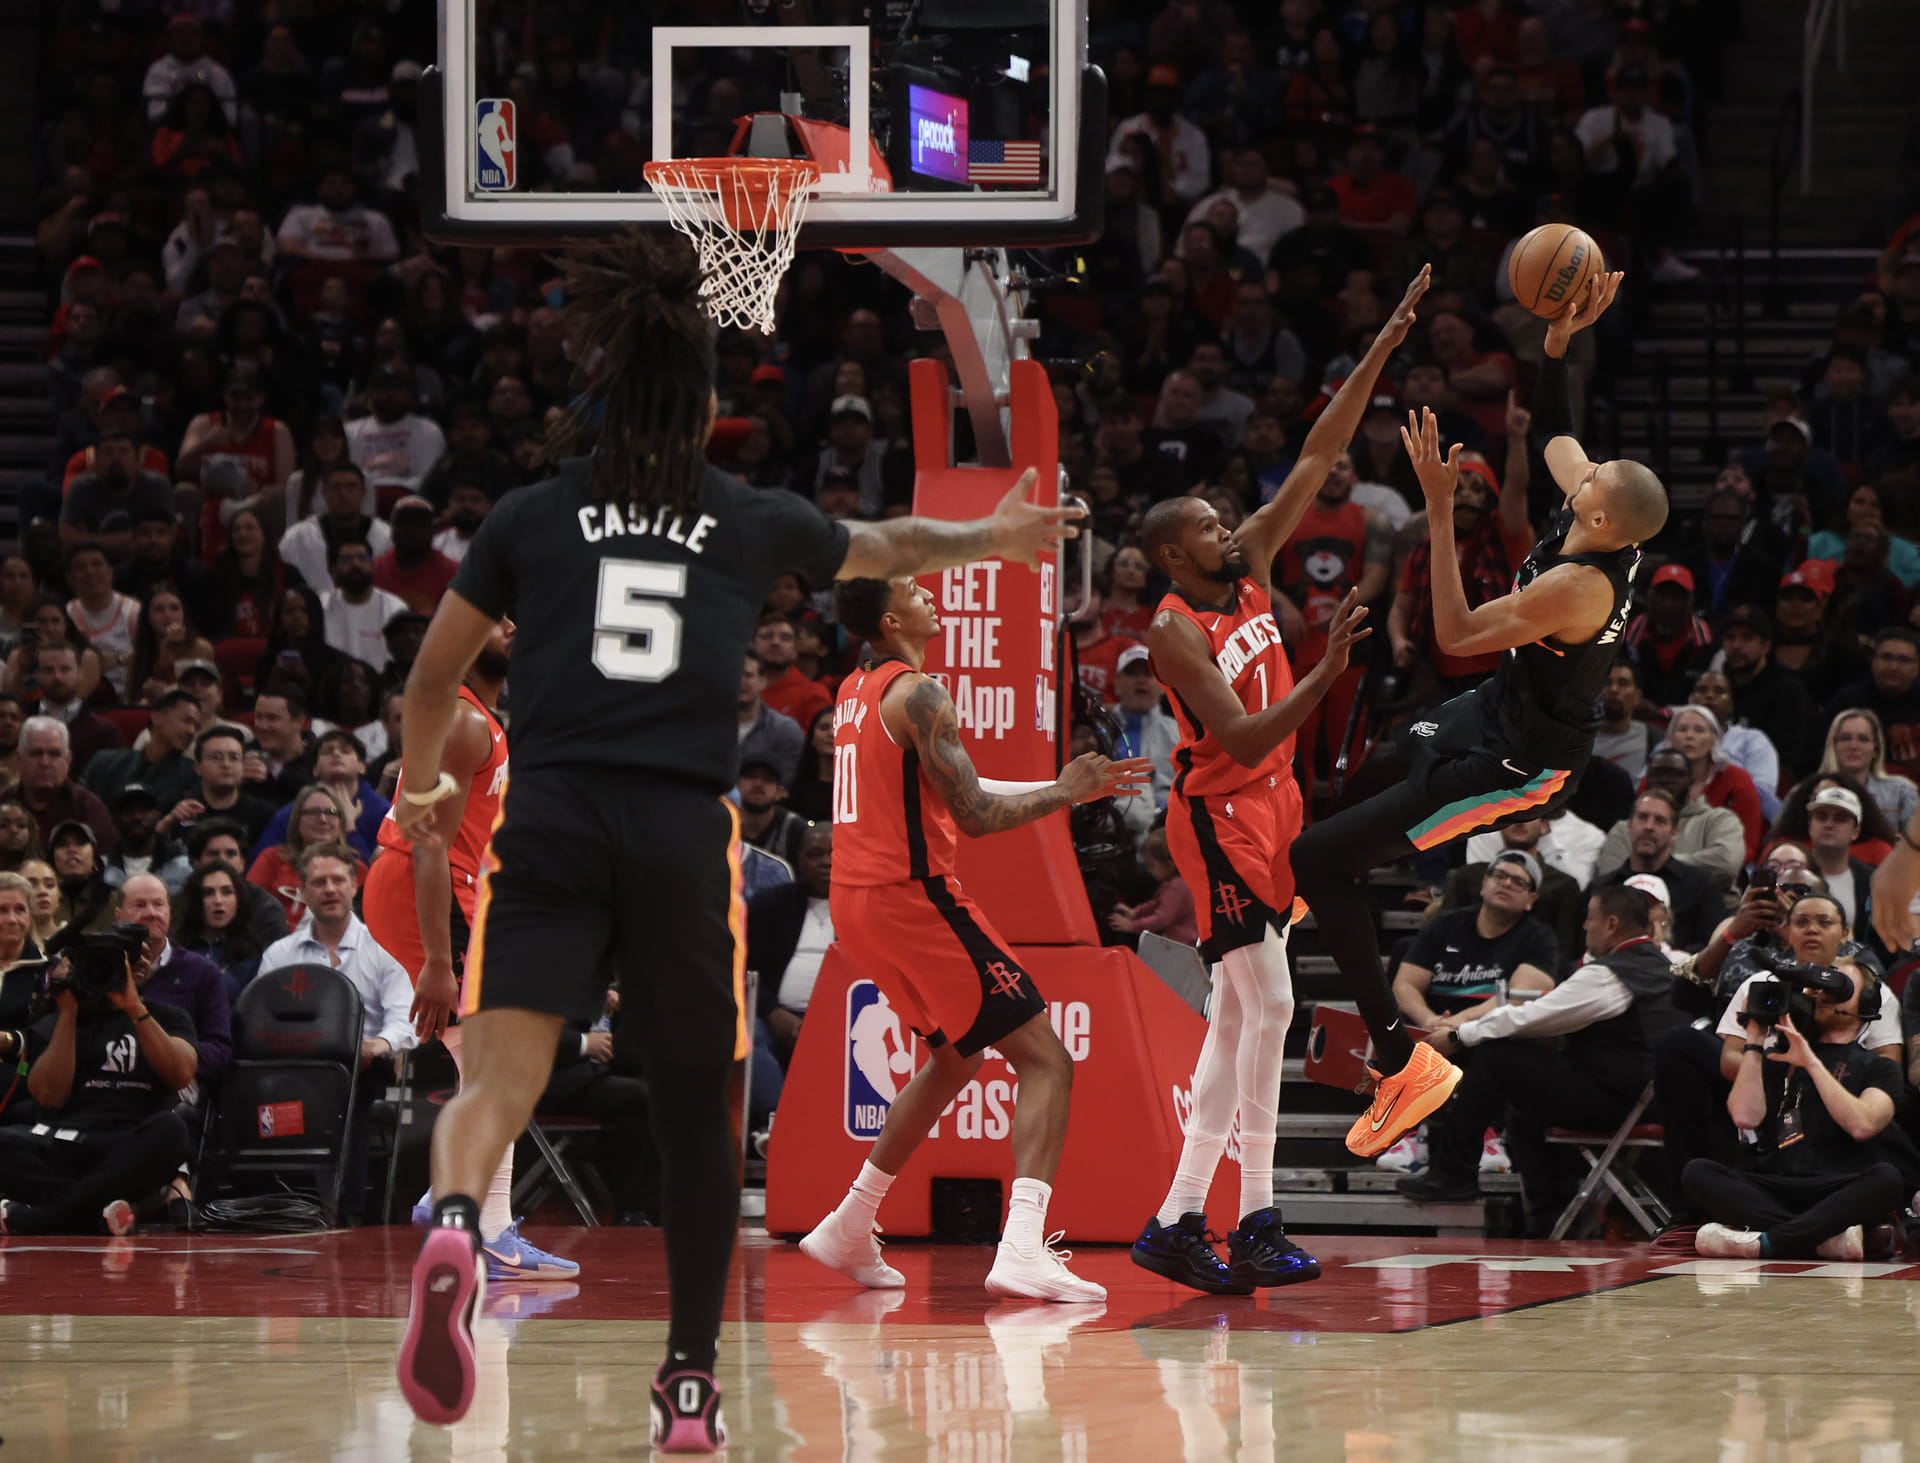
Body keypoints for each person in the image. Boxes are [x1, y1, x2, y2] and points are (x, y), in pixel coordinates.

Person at [389, 233, 1086, 1446]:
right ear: (702, 406)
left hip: (549, 814)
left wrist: (418, 787)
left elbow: (432, 676)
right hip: (678, 825)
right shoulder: (743, 515)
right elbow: (884, 549)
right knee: (697, 1113)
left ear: (600, 397)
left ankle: (455, 1221)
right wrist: (995, 535)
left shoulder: (527, 516)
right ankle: (689, 1383)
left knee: (493, 1082)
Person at [1291, 271, 1667, 1158]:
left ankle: (1402, 1064)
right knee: (1388, 753)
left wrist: (1435, 509)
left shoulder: (1579, 586)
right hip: (1502, 703)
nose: (1580, 469)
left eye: (1590, 478)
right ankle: (1314, 897)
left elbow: (1455, 633)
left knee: (1317, 856)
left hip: (1520, 763)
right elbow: (1560, 433)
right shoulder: (1607, 515)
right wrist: (1559, 341)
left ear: (1598, 512)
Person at [1122, 274, 1423, 1298]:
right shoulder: (1172, 628)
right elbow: (1243, 731)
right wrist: (1327, 671)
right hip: (1218, 814)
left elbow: (1317, 455)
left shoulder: (1248, 560)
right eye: (1208, 527)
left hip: (1275, 799)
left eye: (1223, 522)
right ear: (1174, 553)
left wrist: (1378, 348)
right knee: (1272, 1003)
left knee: (1241, 1016)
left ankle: (1185, 1220)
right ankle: (1248, 1215)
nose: (1228, 529)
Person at [800, 574, 1150, 1305]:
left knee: (955, 1060)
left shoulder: (856, 690)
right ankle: (1022, 1247)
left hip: (856, 902)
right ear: (891, 619)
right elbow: (977, 817)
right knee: (1047, 1061)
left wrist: (1062, 785)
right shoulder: (921, 695)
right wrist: (1065, 792)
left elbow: (950, 785)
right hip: (913, 899)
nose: (929, 594)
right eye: (912, 588)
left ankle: (849, 1222)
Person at [365, 622, 570, 1279]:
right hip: (424, 888)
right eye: (497, 617)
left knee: (497, 1057)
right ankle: (485, 1226)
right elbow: (428, 842)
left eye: (517, 618)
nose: (513, 626)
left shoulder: (476, 715)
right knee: (497, 1060)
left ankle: (455, 1201)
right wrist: (435, 960)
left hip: (443, 888)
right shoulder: (464, 721)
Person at [1396, 886, 1686, 1226]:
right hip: (1651, 1098)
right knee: (1524, 1106)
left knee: (1495, 1057)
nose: (1584, 927)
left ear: (1611, 924)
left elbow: (1532, 1016)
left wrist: (1460, 1035)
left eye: (1589, 919)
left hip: (1619, 1101)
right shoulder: (1663, 966)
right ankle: (1549, 1215)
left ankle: (1453, 1174)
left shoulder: (1610, 974)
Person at [1688, 961, 1918, 1260]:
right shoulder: (1778, 1058)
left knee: (1887, 1180)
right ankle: (1820, 1239)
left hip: (1840, 1187)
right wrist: (1755, 1041)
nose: (1824, 995)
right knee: (1698, 1172)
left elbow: (1863, 1125)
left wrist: (1810, 1062)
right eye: (1818, 989)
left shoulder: (1881, 1067)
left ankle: (1768, 1242)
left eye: (1839, 987)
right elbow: (1744, 1117)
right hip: (1778, 1183)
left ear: (1866, 1002)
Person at [0, 922, 199, 1235]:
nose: (139, 963)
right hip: (65, 1144)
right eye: (125, 959)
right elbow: (48, 1096)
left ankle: (41, 1218)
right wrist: (68, 1013)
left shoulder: (167, 1017)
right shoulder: (60, 1018)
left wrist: (134, 1007)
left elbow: (181, 1073)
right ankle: (112, 1208)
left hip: (129, 1146)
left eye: (142, 957)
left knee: (173, 1130)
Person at [117, 872, 232, 1088]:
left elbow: (219, 1048)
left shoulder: (203, 972)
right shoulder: (100, 967)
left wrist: (163, 1060)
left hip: (174, 1085)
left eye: (158, 904)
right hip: (109, 1081)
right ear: (118, 914)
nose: (151, 913)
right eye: (140, 905)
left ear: (169, 912)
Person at [1433, 822, 1586, 973]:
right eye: (1514, 816)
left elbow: (1565, 950)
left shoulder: (1564, 885)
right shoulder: (1466, 877)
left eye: (1530, 816)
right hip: (1464, 972)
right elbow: (1443, 933)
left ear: (1544, 826)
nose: (1520, 822)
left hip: (1534, 976)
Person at [1592, 789, 1725, 950]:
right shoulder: (1602, 889)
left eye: (1660, 821)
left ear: (1674, 832)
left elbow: (1712, 949)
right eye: (1642, 817)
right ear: (1629, 826)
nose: (1649, 826)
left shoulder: (1702, 886)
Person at [1597, 746, 1746, 889]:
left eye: (1675, 773)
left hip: (1710, 904)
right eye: (1657, 773)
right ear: (1647, 779)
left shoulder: (1718, 820)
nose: (1665, 779)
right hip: (1638, 904)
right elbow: (1611, 878)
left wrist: (1654, 862)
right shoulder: (1625, 828)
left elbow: (1727, 864)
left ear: (1690, 780)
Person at [1718, 605, 1821, 781]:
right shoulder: (1718, 687)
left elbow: (1791, 760)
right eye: (1730, 637)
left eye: (1747, 638)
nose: (1736, 646)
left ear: (1765, 646)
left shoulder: (1788, 692)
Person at [1660, 705, 1763, 863]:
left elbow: (1748, 845)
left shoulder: (1737, 779)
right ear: (1671, 739)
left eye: (1699, 730)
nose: (1689, 736)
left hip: (1719, 867)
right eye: (1682, 729)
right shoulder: (1657, 776)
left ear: (1714, 739)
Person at [248, 784, 361, 926]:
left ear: (341, 821)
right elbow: (248, 904)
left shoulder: (357, 868)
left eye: (331, 812)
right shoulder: (273, 858)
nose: (323, 819)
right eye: (314, 812)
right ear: (297, 820)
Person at [278, 462, 394, 595]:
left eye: (351, 486)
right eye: (336, 487)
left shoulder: (386, 537)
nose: (343, 493)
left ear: (363, 492)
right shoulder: (298, 537)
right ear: (324, 493)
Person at [82, 689, 201, 814]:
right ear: (156, 717)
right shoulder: (104, 762)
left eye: (197, 727)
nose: (191, 731)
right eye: (187, 721)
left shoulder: (193, 775)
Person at [5, 718, 115, 852]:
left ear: (68, 760)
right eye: (36, 754)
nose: (45, 763)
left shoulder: (90, 809)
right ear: (19, 759)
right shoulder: (3, 803)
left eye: (54, 754)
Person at [160, 726, 276, 851]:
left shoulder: (263, 815)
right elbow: (151, 852)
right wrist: (168, 822)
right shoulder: (177, 808)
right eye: (216, 757)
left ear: (242, 766)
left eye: (234, 758)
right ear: (197, 767)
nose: (226, 764)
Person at [1690, 670, 1782, 823]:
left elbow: (1762, 793)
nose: (1709, 695)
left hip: (1737, 819)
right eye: (1702, 690)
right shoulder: (1673, 741)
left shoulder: (1752, 740)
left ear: (1731, 705)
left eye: (1719, 691)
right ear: (1691, 700)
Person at [186, 819, 289, 948]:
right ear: (196, 862)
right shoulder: (179, 906)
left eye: (231, 854)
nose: (222, 860)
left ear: (242, 863)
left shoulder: (267, 909)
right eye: (213, 854)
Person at [175, 858, 265, 1004]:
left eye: (227, 892)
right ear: (196, 900)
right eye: (208, 893)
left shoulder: (253, 953)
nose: (218, 900)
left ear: (238, 899)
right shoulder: (177, 949)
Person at [1819, 708, 1919, 832]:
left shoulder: (1902, 791)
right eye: (1845, 738)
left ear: (1875, 749)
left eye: (1863, 739)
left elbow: (1915, 841)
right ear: (1833, 745)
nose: (1853, 746)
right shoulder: (1808, 791)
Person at [319, 539, 407, 672]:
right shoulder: (321, 605)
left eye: (362, 558)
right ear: (334, 569)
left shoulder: (394, 607)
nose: (355, 564)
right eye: (347, 559)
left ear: (372, 565)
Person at [102, 785, 192, 895]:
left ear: (158, 815)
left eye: (144, 809)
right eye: (128, 810)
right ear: (114, 817)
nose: (137, 817)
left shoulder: (183, 866)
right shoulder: (101, 868)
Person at [736, 651, 802, 789]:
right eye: (735, 674)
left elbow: (785, 787)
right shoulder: (708, 726)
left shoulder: (785, 730)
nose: (741, 681)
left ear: (763, 681)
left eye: (748, 675)